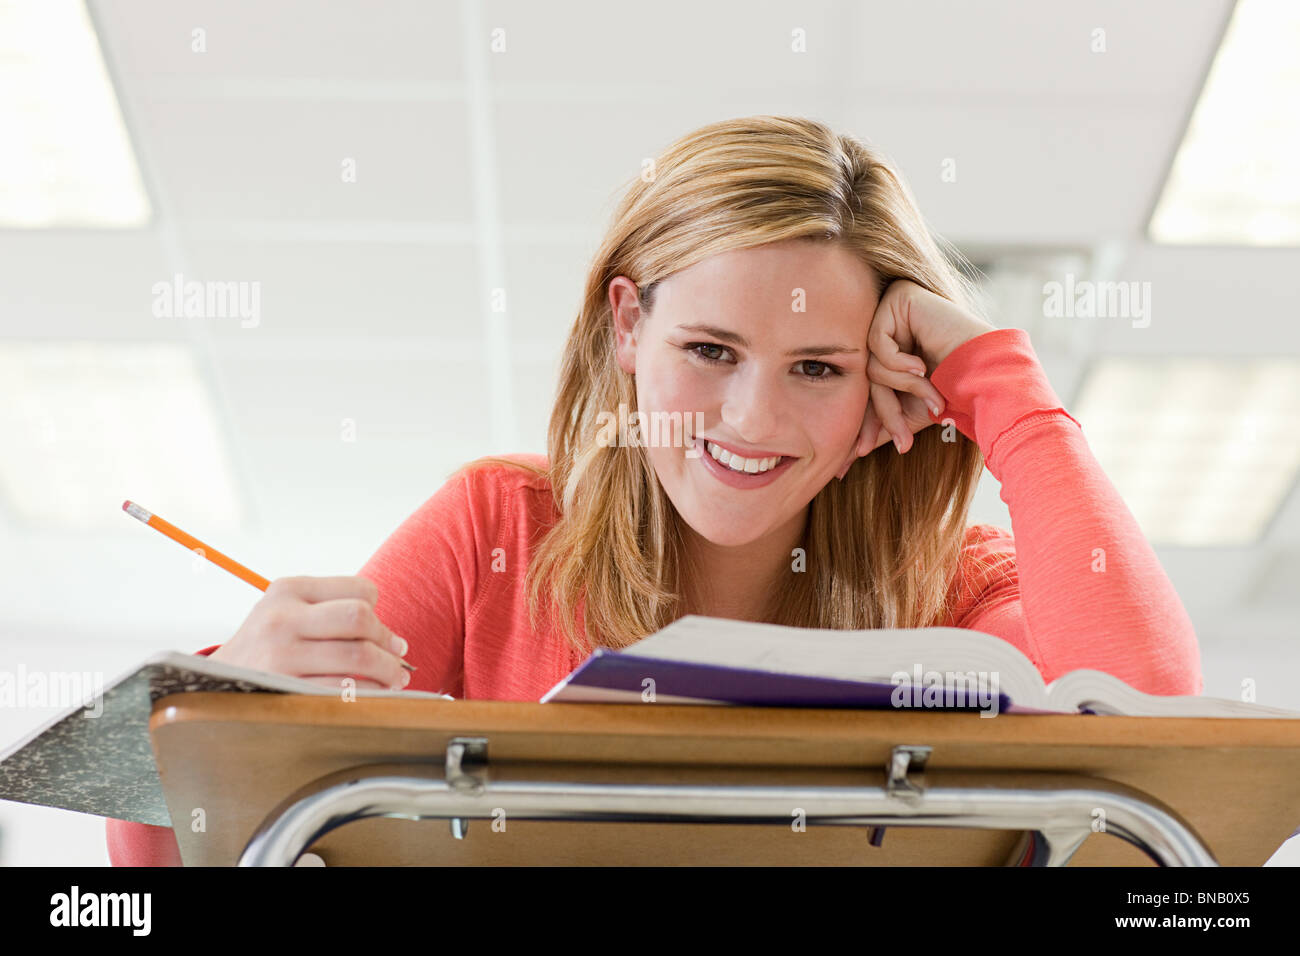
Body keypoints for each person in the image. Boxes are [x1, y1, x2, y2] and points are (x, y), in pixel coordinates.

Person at [105, 115, 1202, 866]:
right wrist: (224, 711)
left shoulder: (957, 588)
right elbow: (194, 846)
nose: (752, 421)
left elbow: (1155, 751)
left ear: (883, 383)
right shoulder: (498, 530)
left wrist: (1000, 388)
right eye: (710, 348)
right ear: (627, 326)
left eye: (817, 367)